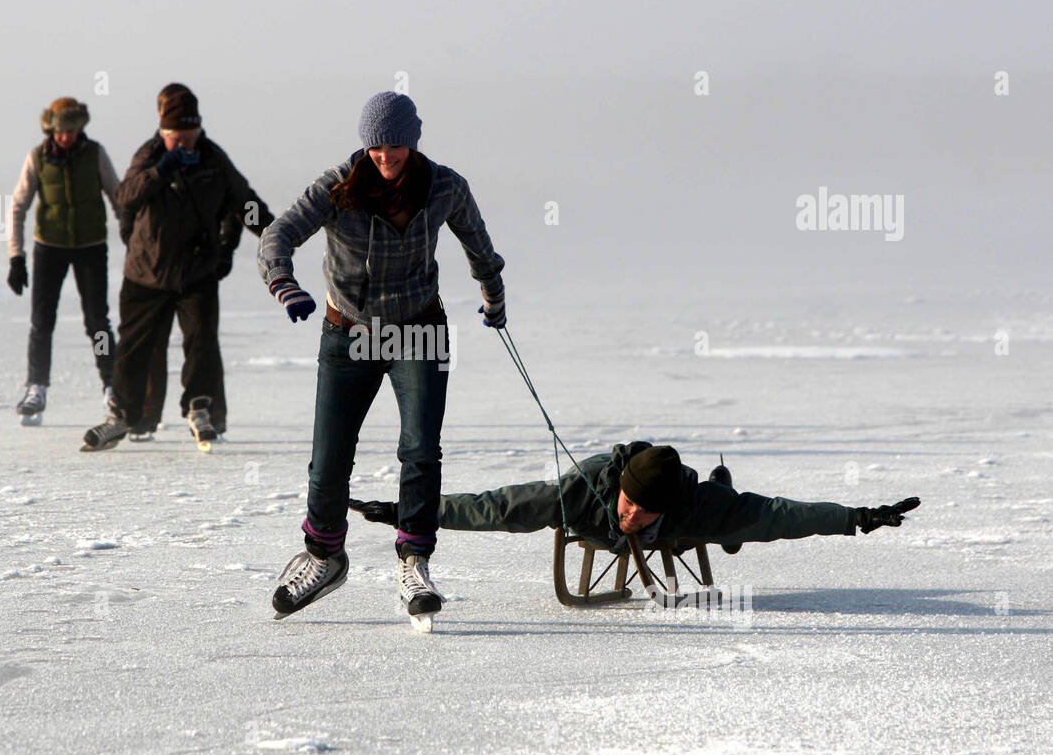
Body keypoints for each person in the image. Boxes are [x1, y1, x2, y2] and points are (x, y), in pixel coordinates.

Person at [258, 91, 507, 621]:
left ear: (412, 143)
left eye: (394, 147)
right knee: (329, 456)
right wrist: (284, 283)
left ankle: (414, 561)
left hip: (419, 329)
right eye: (375, 149)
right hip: (348, 332)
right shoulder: (337, 186)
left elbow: (479, 247)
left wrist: (493, 298)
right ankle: (324, 556)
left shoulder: (444, 186)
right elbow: (279, 233)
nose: (385, 157)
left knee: (419, 450)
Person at [83, 86, 273, 451]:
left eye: (189, 137)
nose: (184, 144)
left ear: (198, 131)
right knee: (134, 349)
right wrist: (159, 171)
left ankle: (200, 407)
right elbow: (125, 197)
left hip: (196, 271)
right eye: (176, 138)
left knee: (202, 341)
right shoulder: (150, 154)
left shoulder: (213, 158)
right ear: (163, 133)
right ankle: (122, 415)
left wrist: (277, 235)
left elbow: (246, 203)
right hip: (145, 272)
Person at [348, 441, 921, 551]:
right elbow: (496, 507)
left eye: (642, 509)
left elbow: (779, 515)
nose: (629, 511)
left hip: (696, 512)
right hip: (609, 511)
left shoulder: (687, 505)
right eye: (627, 501)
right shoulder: (584, 489)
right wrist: (409, 511)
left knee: (740, 522)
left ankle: (720, 506)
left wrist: (856, 516)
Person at [7, 97, 121, 424]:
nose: (66, 137)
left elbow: (118, 196)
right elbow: (17, 207)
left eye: (72, 130)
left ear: (80, 127)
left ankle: (111, 385)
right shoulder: (37, 158)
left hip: (91, 248)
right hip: (50, 249)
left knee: (98, 322)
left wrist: (133, 238)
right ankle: (36, 388)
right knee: (42, 323)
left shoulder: (95, 154)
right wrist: (16, 257)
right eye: (61, 131)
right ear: (51, 129)